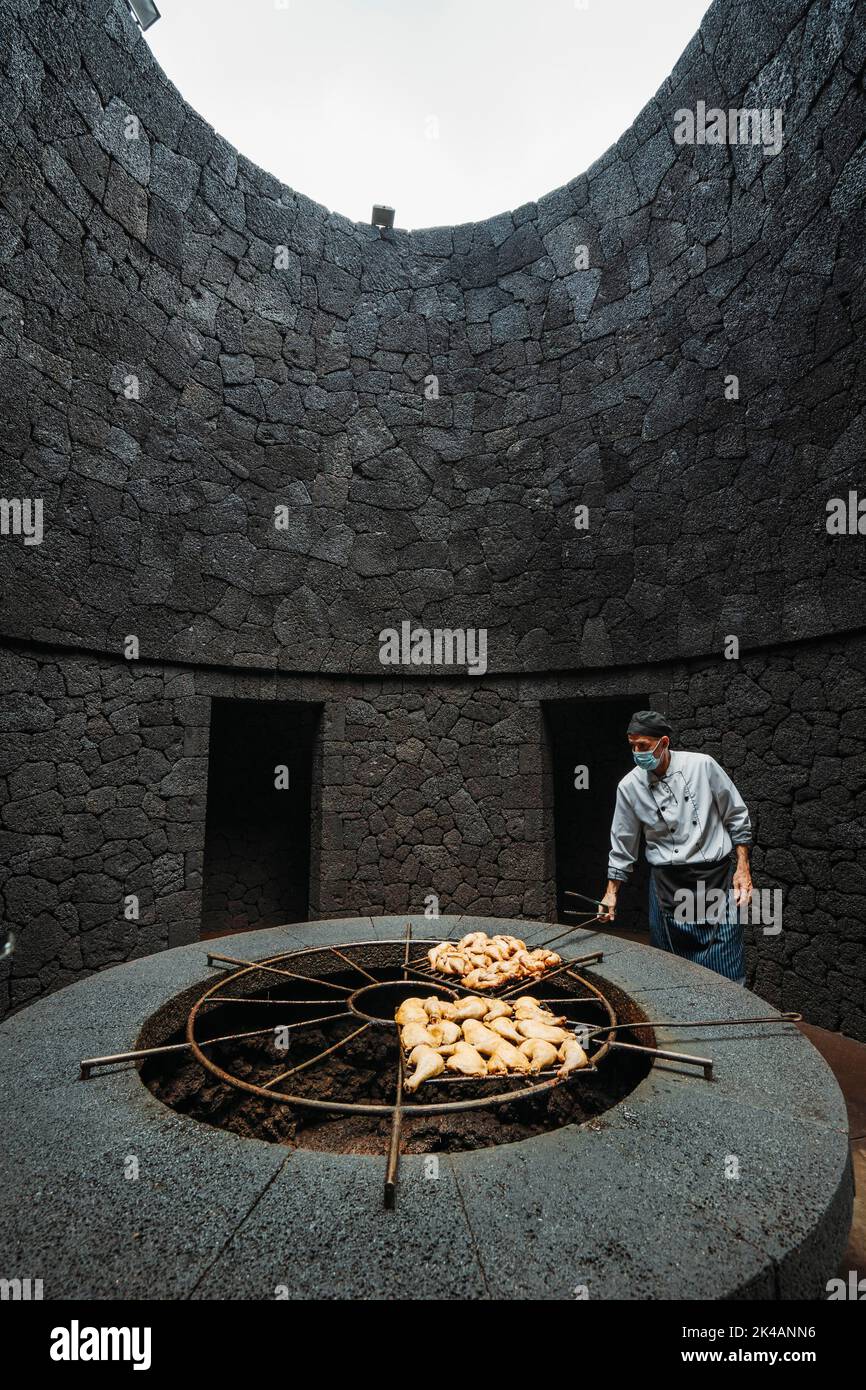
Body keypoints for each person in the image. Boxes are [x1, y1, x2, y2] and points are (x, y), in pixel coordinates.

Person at [599, 710, 753, 985]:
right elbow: (623, 844)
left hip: (713, 878)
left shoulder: (702, 766)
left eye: (643, 746)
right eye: (632, 746)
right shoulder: (629, 786)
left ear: (664, 742)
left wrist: (743, 868)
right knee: (671, 972)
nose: (637, 752)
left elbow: (736, 815)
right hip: (667, 885)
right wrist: (611, 893)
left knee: (726, 970)